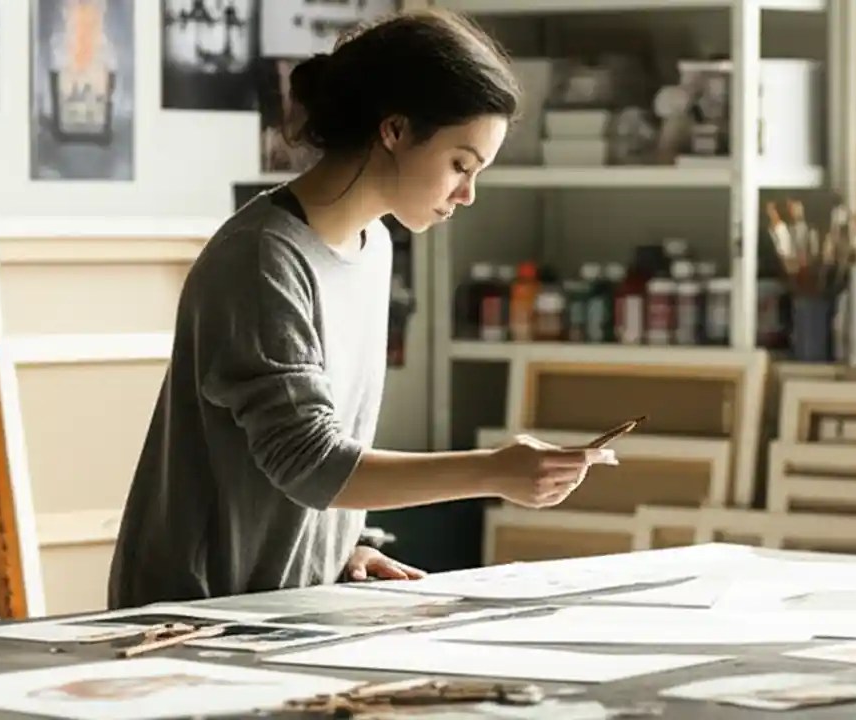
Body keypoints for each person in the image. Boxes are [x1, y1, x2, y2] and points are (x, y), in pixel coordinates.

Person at [107, 8, 617, 610]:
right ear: (395, 130)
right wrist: (493, 472)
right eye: (460, 164)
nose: (467, 193)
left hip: (290, 602)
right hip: (194, 610)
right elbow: (311, 462)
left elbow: (309, 459)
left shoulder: (373, 246)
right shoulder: (262, 258)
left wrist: (345, 546)